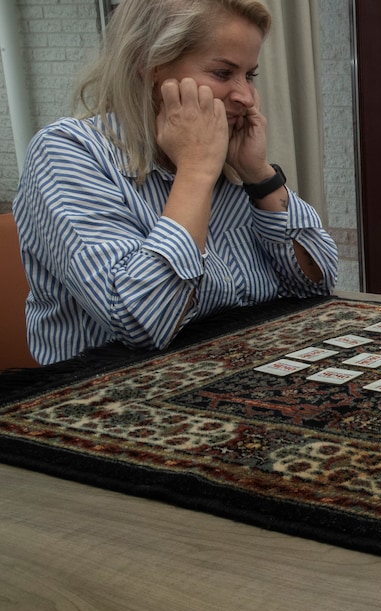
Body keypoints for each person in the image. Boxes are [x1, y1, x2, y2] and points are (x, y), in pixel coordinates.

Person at [13, 0, 338, 365]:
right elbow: (141, 322)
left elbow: (317, 283)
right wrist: (196, 170)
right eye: (221, 73)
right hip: (114, 395)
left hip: (237, 370)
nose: (246, 97)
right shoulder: (68, 152)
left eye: (250, 75)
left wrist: (257, 173)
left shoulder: (229, 154)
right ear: (151, 64)